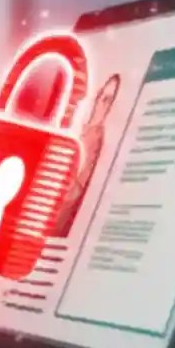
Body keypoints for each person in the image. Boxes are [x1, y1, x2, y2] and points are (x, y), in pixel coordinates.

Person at [51, 74, 122, 239]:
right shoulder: (78, 127)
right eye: (102, 96)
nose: (102, 102)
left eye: (109, 99)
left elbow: (78, 186)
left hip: (59, 211)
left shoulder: (98, 139)